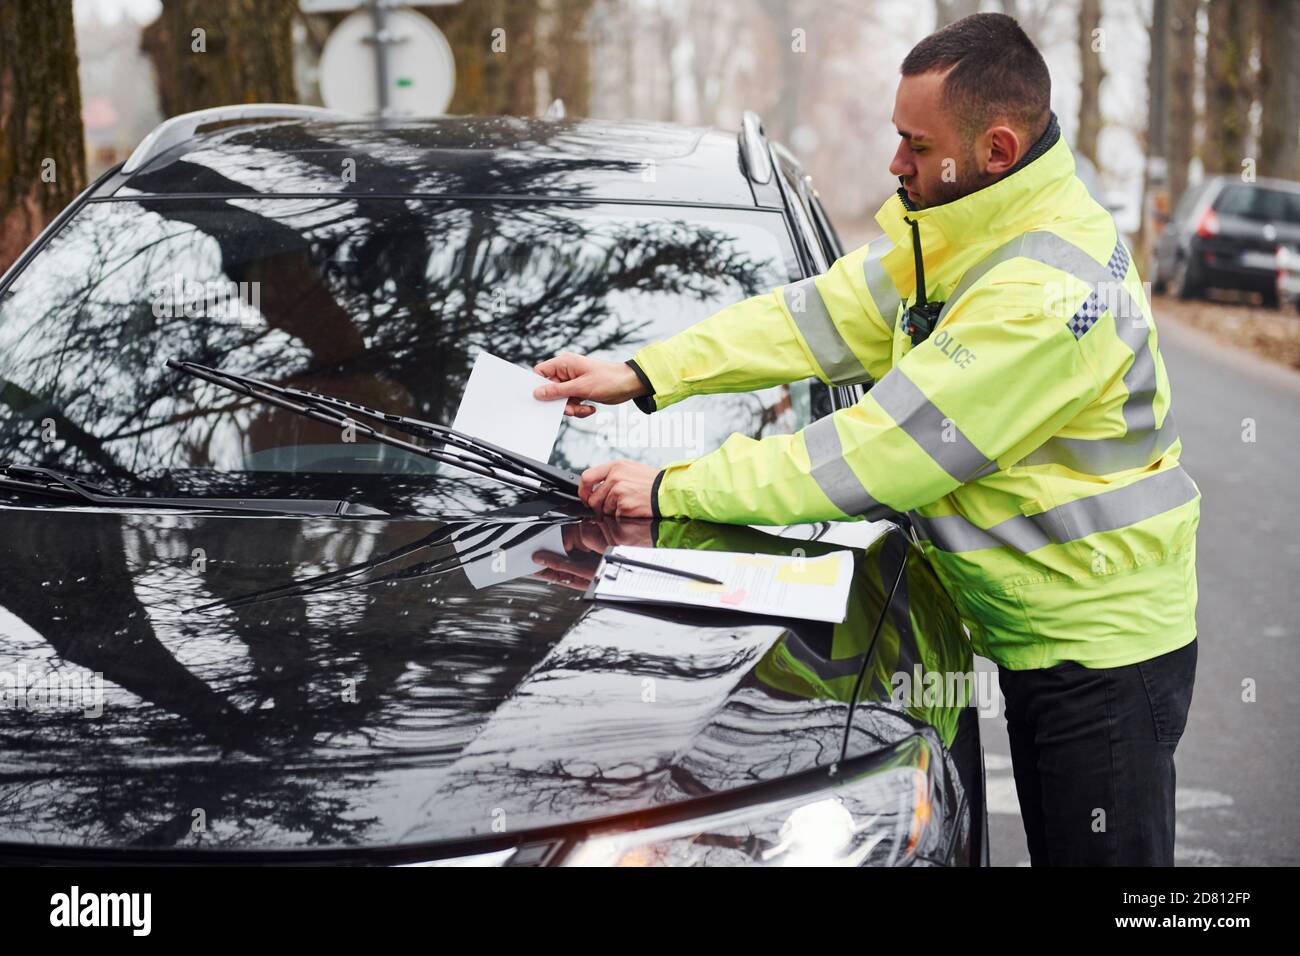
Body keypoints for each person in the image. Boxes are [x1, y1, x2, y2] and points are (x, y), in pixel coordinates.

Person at [531, 12, 1198, 866]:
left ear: (994, 150)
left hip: (1103, 649)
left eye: (915, 146)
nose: (895, 165)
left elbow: (877, 452)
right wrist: (643, 372)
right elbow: (809, 319)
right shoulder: (971, 228)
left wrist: (669, 490)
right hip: (1050, 629)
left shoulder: (1039, 291)